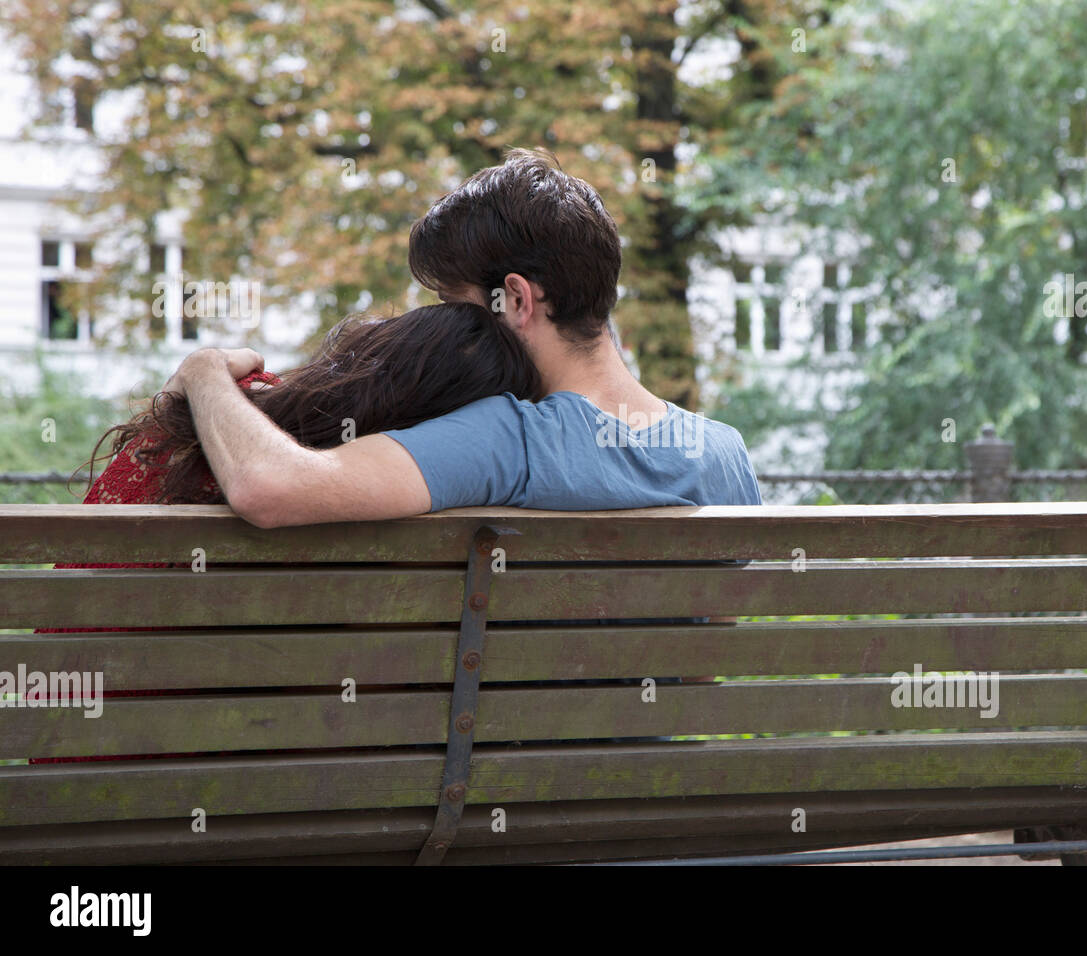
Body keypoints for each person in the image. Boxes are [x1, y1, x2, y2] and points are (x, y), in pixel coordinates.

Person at [30, 302, 541, 763]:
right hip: (288, 806)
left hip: (72, 770)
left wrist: (201, 372)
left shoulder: (237, 414)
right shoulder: (424, 514)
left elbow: (117, 520)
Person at [163, 147, 762, 526]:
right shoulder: (723, 454)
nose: (447, 326)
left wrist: (203, 371)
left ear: (518, 300)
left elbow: (268, 487)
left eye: (456, 305)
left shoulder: (510, 442)